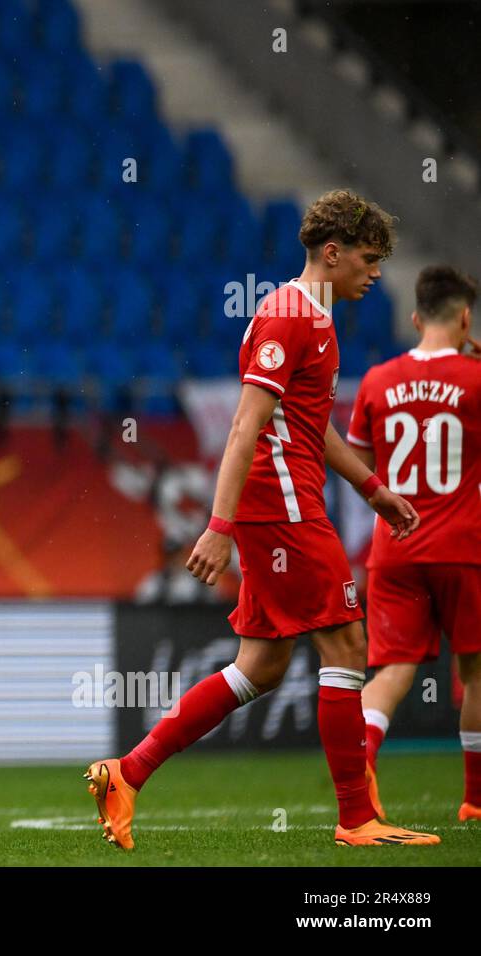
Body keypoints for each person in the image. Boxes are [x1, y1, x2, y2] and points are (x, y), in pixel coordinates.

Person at [85, 189, 440, 849]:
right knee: (345, 644)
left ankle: (126, 773)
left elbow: (308, 424)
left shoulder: (317, 317)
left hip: (287, 498)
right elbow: (246, 424)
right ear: (330, 253)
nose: (376, 273)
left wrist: (371, 489)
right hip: (281, 505)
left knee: (262, 665)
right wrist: (220, 528)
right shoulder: (288, 316)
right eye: (367, 258)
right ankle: (357, 817)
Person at [345, 264, 481, 823]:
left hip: (395, 551)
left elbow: (362, 466)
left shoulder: (377, 380)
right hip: (463, 549)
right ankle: (474, 799)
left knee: (394, 671)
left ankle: (359, 772)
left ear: (415, 316)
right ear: (466, 316)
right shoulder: (476, 381)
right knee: (474, 673)